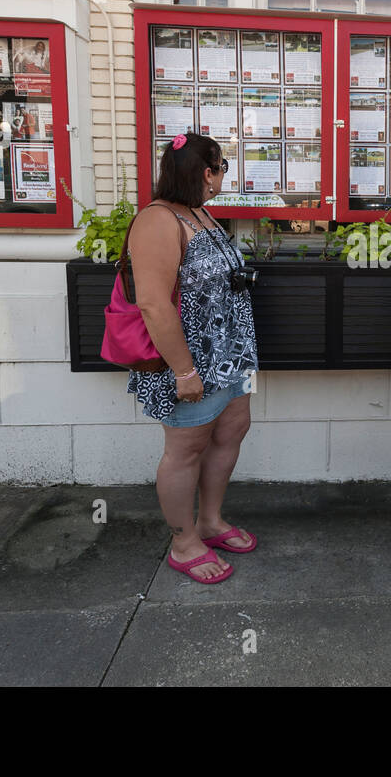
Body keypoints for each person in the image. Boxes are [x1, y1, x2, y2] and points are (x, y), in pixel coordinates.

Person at [124, 131, 259, 585]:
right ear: (208, 172)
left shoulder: (198, 213)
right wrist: (184, 370)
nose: (222, 177)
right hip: (192, 360)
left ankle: (211, 522)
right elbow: (154, 304)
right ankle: (183, 544)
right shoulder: (158, 220)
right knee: (185, 451)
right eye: (222, 168)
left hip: (231, 355)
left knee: (232, 430)